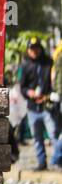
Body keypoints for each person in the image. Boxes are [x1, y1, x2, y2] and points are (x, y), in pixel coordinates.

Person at [19, 37, 60, 169]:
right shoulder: (26, 65)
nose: (34, 51)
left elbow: (54, 82)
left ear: (40, 48)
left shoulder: (49, 62)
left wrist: (50, 95)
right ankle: (42, 163)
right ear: (28, 50)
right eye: (32, 48)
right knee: (37, 138)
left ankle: (58, 161)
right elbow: (22, 87)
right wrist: (29, 93)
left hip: (47, 106)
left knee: (54, 134)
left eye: (36, 48)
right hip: (32, 107)